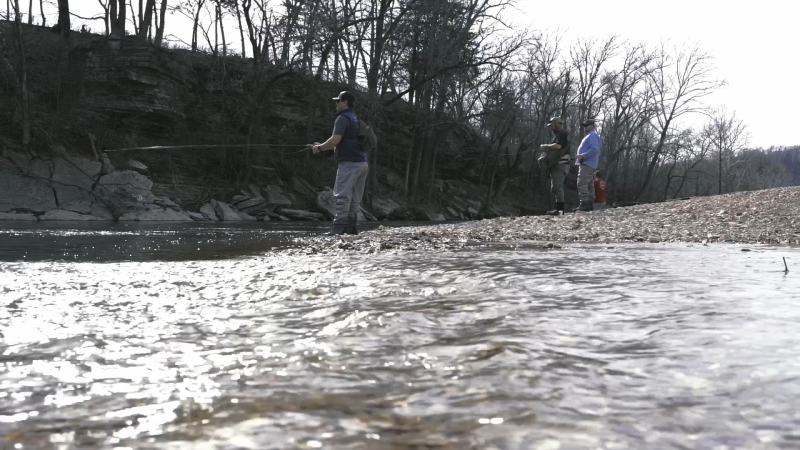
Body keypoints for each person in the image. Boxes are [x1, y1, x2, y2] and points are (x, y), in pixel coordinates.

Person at [312, 91, 368, 235]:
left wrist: (318, 148)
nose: (335, 103)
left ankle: (338, 229)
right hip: (362, 163)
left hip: (349, 163)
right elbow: (336, 142)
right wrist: (322, 146)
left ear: (345, 102)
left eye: (338, 101)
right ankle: (351, 229)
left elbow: (335, 140)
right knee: (355, 199)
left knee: (342, 196)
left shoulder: (343, 118)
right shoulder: (355, 118)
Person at [542, 117, 570, 216]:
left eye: (552, 126)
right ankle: (557, 209)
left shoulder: (562, 133)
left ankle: (560, 211)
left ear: (556, 124)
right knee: (555, 188)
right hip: (558, 164)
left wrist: (546, 146)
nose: (551, 128)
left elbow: (558, 146)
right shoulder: (560, 134)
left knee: (558, 187)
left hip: (561, 164)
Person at [574, 119, 602, 212]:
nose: (585, 127)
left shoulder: (593, 135)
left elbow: (594, 149)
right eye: (584, 125)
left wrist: (582, 155)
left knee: (581, 182)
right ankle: (589, 204)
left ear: (593, 125)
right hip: (589, 163)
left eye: (587, 125)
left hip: (587, 162)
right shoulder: (592, 135)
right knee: (590, 184)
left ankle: (584, 203)